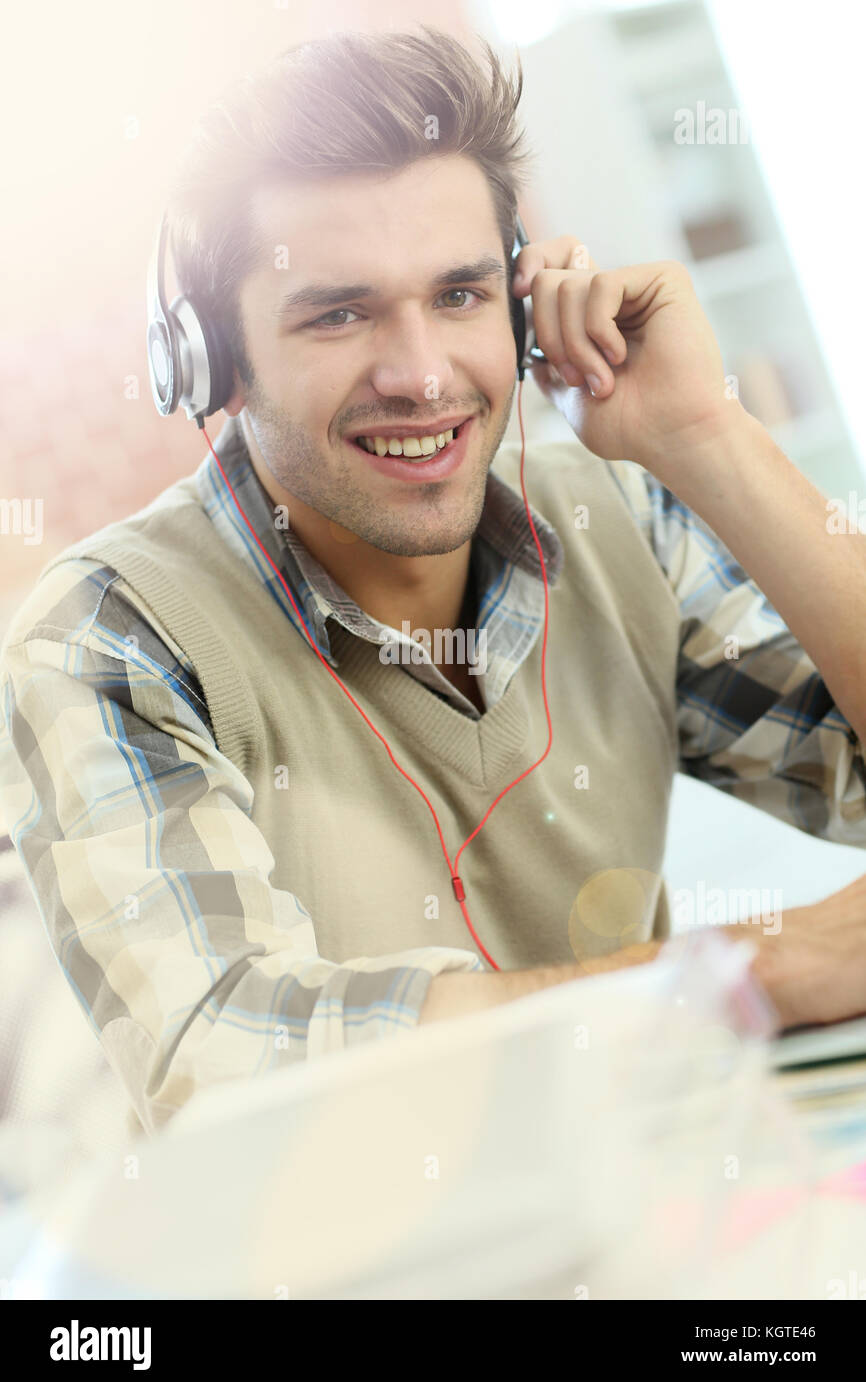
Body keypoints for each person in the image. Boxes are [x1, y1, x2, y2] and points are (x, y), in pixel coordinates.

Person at [2, 26, 865, 1137]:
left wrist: (706, 436)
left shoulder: (613, 520)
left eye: (458, 297)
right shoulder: (109, 633)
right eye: (338, 312)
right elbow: (228, 1069)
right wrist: (758, 969)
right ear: (211, 358)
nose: (420, 376)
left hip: (649, 1211)